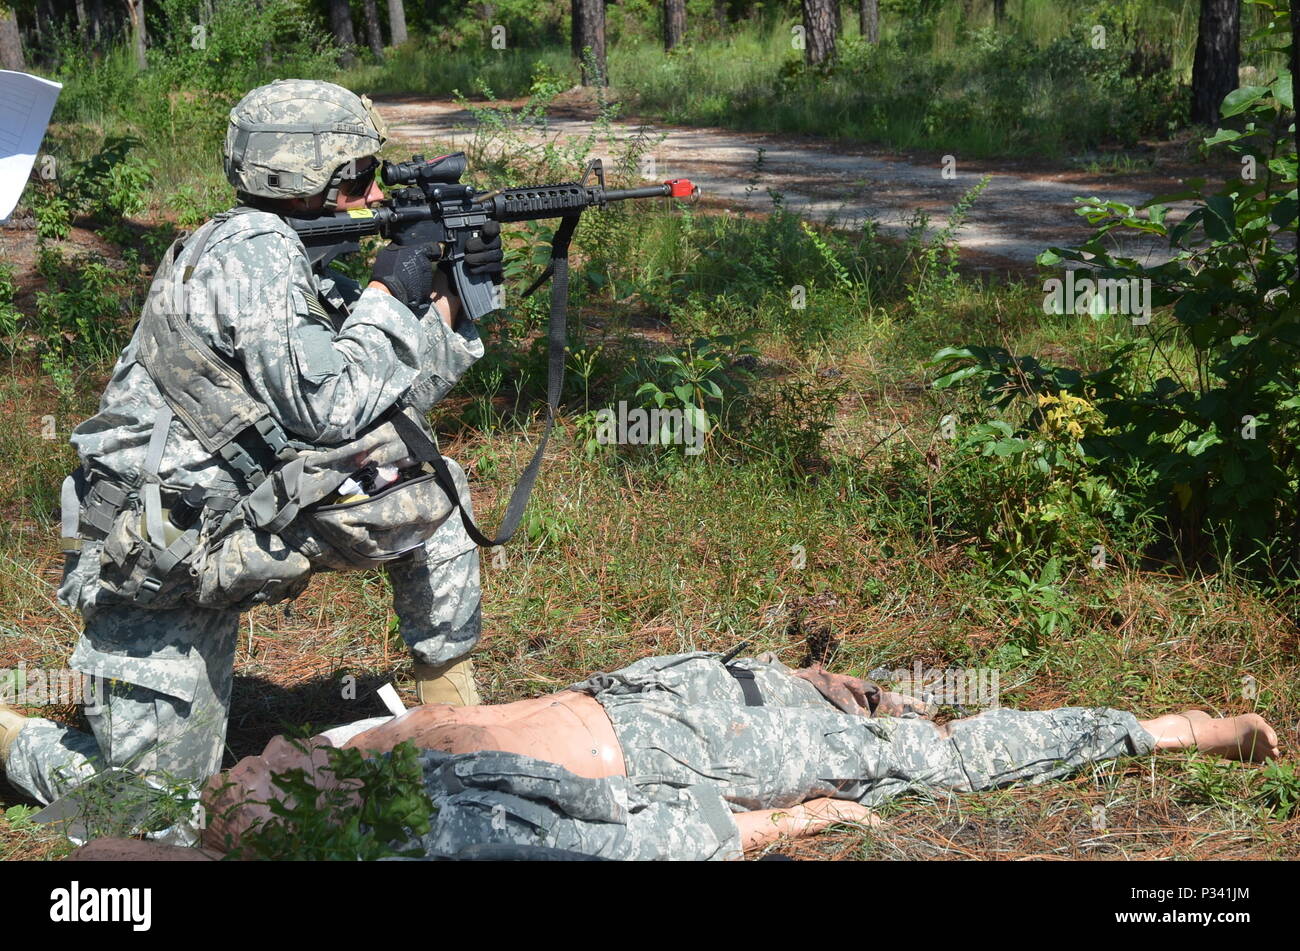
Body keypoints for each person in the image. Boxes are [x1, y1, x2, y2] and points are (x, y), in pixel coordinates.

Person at [0, 79, 503, 807]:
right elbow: (329, 407)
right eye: (358, 177)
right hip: (160, 552)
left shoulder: (281, 252)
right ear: (305, 180)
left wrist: (453, 308)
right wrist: (391, 294)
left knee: (430, 484)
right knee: (150, 812)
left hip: (240, 513)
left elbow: (375, 395)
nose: (370, 197)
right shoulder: (255, 252)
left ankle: (455, 716)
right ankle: (15, 740)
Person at [161, 650, 1278, 861]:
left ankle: (1160, 731)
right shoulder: (276, 775)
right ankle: (835, 690)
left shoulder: (367, 824)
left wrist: (778, 825)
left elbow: (630, 843)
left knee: (929, 762)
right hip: (666, 697)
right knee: (870, 736)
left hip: (687, 732)